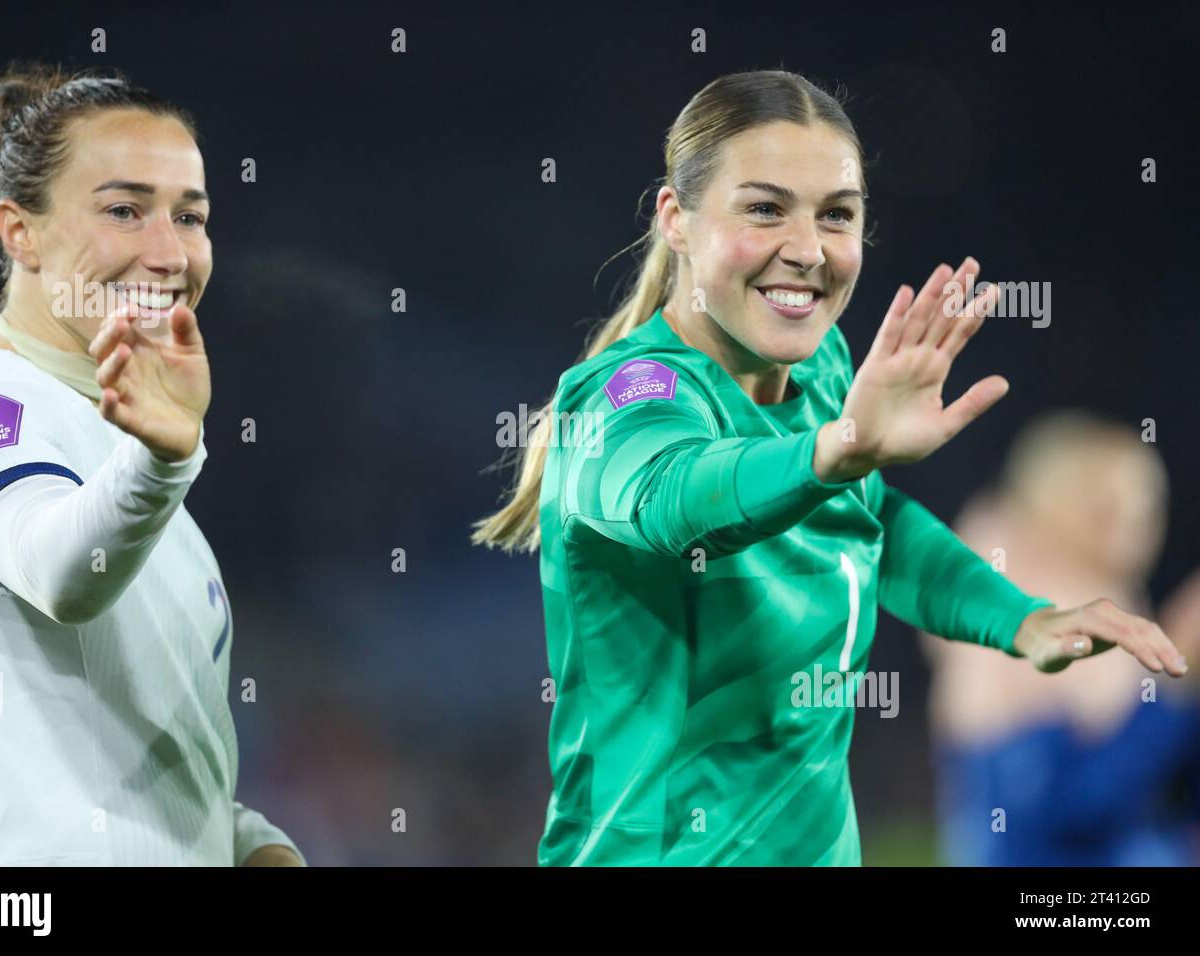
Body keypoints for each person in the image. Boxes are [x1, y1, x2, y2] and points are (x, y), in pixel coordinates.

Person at [472, 69, 1187, 866]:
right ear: (676, 219)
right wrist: (834, 450)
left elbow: (867, 519)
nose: (807, 250)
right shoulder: (625, 396)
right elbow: (671, 498)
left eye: (836, 216)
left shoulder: (822, 374)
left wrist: (1019, 620)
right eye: (765, 208)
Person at [0, 62, 303, 865]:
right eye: (125, 210)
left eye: (190, 216)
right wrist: (162, 460)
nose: (169, 253)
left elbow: (138, 773)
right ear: (22, 231)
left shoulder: (142, 481)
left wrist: (251, 845)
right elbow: (62, 572)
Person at [921, 410, 1200, 865]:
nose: (1137, 532)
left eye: (1147, 510)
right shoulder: (1021, 607)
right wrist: (1174, 684)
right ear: (1056, 506)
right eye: (1106, 510)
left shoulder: (1114, 596)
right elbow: (1073, 812)